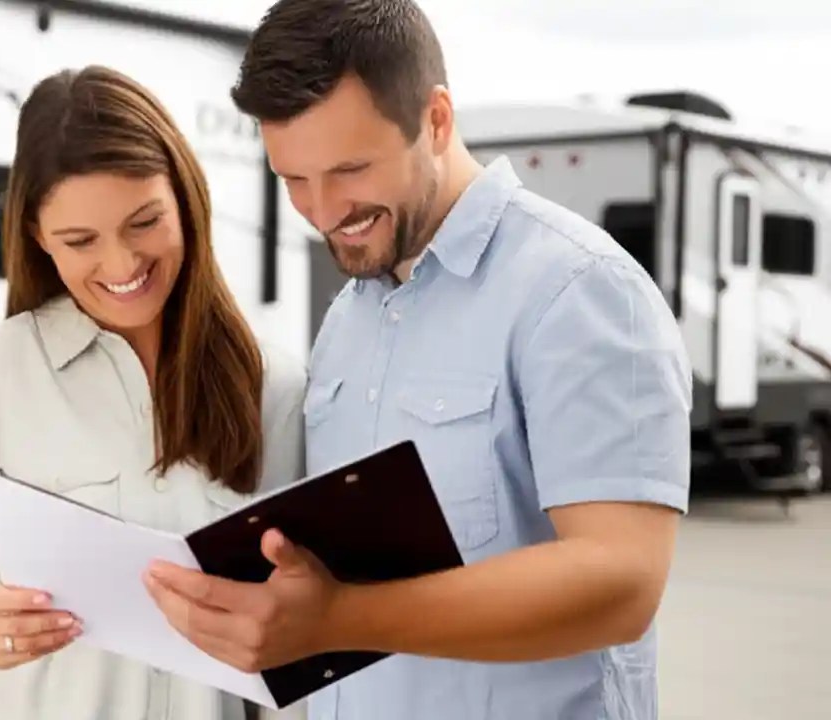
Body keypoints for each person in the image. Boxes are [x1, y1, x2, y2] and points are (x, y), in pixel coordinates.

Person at [143, 1, 693, 718]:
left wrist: (338, 619)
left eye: (349, 168)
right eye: (293, 179)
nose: (322, 209)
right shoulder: (351, 314)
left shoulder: (578, 290)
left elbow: (621, 582)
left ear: (435, 121)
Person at [0, 65, 307, 720]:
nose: (122, 265)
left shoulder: (273, 386)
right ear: (39, 239)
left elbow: (292, 643)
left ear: (187, 202)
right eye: (81, 241)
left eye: (144, 223)